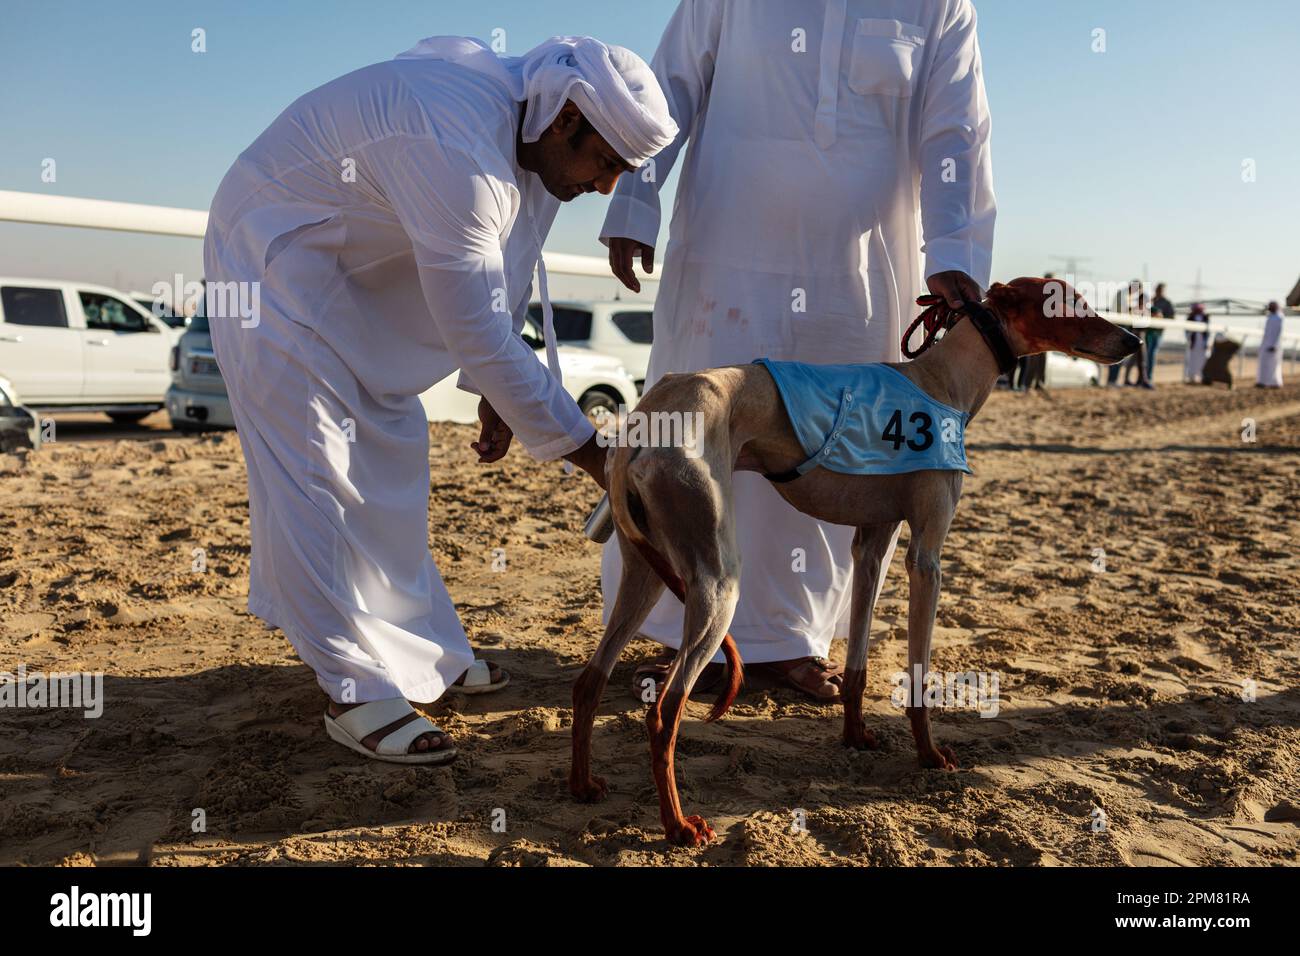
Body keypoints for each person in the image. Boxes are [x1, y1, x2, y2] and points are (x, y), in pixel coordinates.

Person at [203, 36, 676, 763]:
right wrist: (602, 464)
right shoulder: (455, 142)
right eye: (606, 163)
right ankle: (353, 689)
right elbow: (478, 329)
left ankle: (426, 653)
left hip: (354, 271)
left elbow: (506, 262)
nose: (608, 186)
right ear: (566, 123)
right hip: (271, 261)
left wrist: (491, 390)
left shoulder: (534, 143)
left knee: (391, 464)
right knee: (318, 475)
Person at [599, 0, 995, 700]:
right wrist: (635, 202)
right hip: (723, 253)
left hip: (862, 274)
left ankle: (792, 641)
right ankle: (683, 635)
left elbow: (955, 127)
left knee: (832, 442)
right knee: (696, 439)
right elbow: (670, 89)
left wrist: (956, 250)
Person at [1147, 282, 1174, 383]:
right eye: (1157, 289)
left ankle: (1149, 377)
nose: (1158, 291)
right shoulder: (1150, 300)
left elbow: (1172, 317)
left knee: (1151, 354)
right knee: (1144, 354)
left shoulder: (1167, 303)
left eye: (1161, 290)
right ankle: (1142, 377)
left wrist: (1161, 317)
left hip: (1158, 332)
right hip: (1147, 331)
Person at [1257, 301, 1285, 388]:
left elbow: (1278, 333)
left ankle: (1275, 383)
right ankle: (1263, 382)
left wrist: (1274, 345)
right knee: (1263, 364)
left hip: (1274, 346)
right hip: (1266, 344)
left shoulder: (1279, 317)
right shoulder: (1270, 317)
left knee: (1274, 365)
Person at [1184, 302, 1209, 382]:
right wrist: (1188, 339)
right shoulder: (1190, 317)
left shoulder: (1205, 317)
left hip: (1202, 341)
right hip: (1193, 341)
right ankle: (1192, 376)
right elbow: (1187, 330)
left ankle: (1202, 375)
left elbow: (1208, 332)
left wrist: (1207, 342)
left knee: (1203, 358)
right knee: (1192, 359)